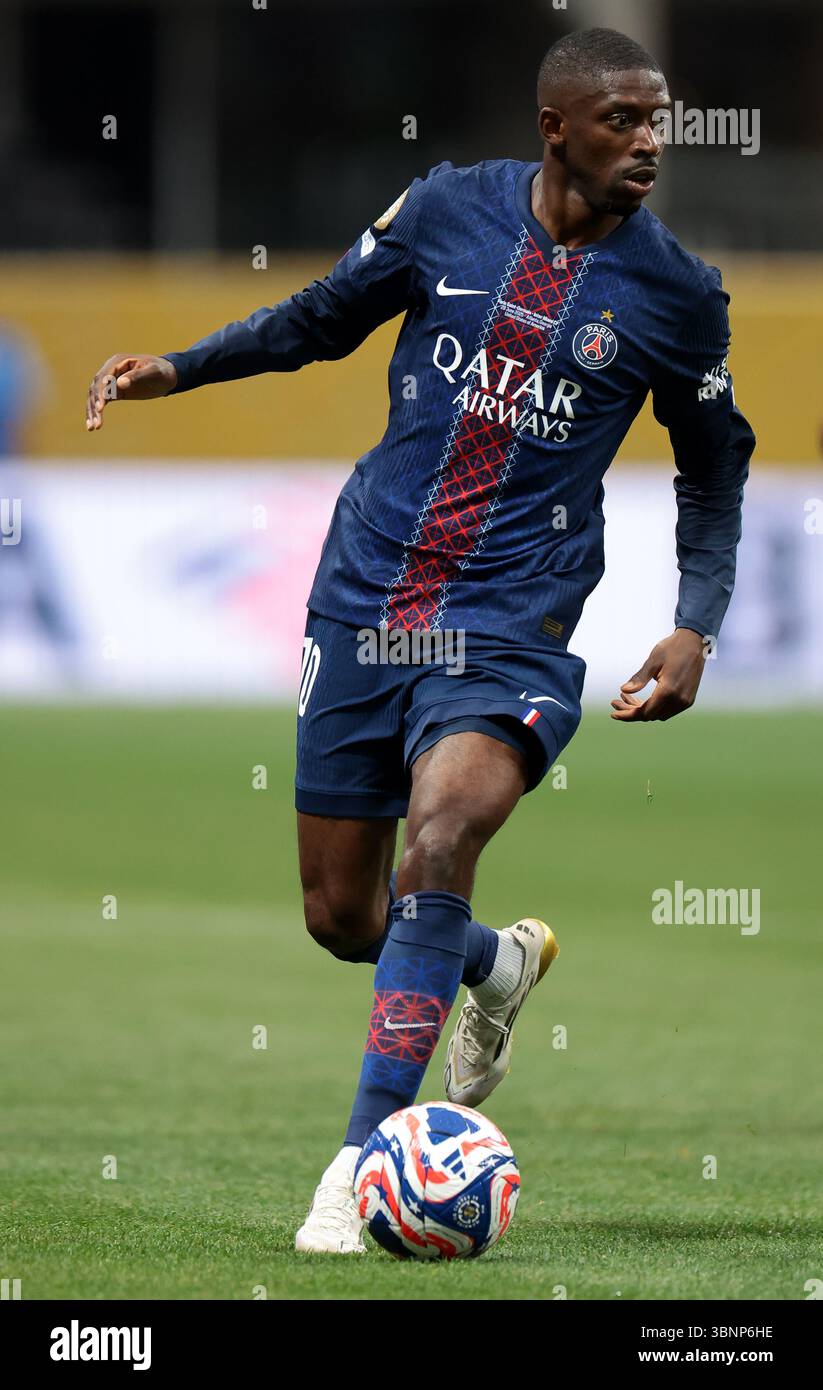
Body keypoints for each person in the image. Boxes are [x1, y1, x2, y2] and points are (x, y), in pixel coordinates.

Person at [85, 27, 754, 1254]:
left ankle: (358, 1163)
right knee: (347, 918)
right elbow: (324, 317)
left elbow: (715, 469)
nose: (650, 142)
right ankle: (493, 964)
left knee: (440, 838)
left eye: (658, 118)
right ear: (555, 126)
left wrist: (694, 620)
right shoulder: (449, 209)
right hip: (365, 598)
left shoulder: (676, 293)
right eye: (622, 120)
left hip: (512, 618)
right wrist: (182, 366)